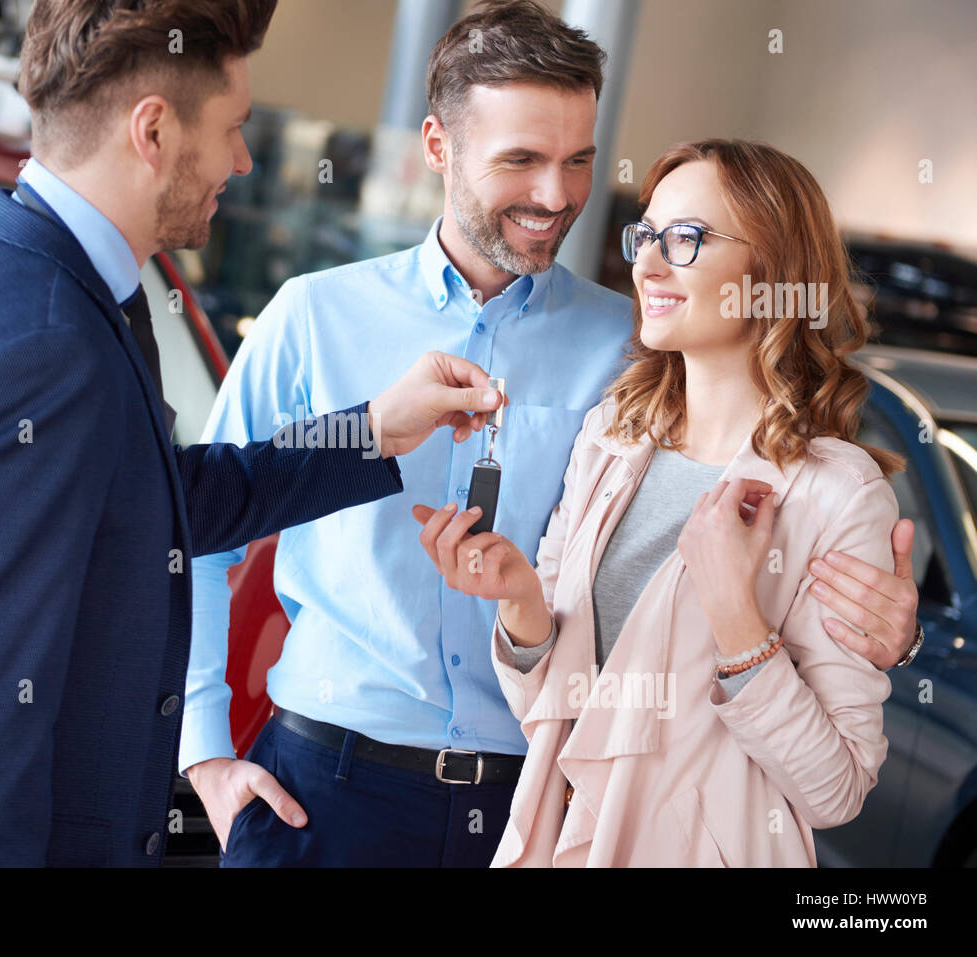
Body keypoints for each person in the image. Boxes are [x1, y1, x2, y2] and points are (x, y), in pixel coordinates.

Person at [183, 0, 922, 868]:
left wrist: (880, 629)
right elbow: (199, 531)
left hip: (533, 804)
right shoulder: (312, 318)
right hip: (323, 788)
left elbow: (765, 509)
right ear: (437, 148)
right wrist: (202, 752)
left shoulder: (638, 354)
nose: (556, 195)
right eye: (521, 160)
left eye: (578, 161)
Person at [0, 0, 505, 868]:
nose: (242, 161)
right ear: (154, 131)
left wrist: (374, 433)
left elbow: (152, 509)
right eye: (234, 129)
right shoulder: (48, 349)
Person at [414, 138, 903, 866]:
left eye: (685, 239)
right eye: (646, 235)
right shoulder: (615, 434)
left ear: (769, 271)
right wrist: (520, 602)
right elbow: (550, 710)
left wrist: (740, 622)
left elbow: (834, 790)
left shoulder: (837, 491)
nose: (646, 262)